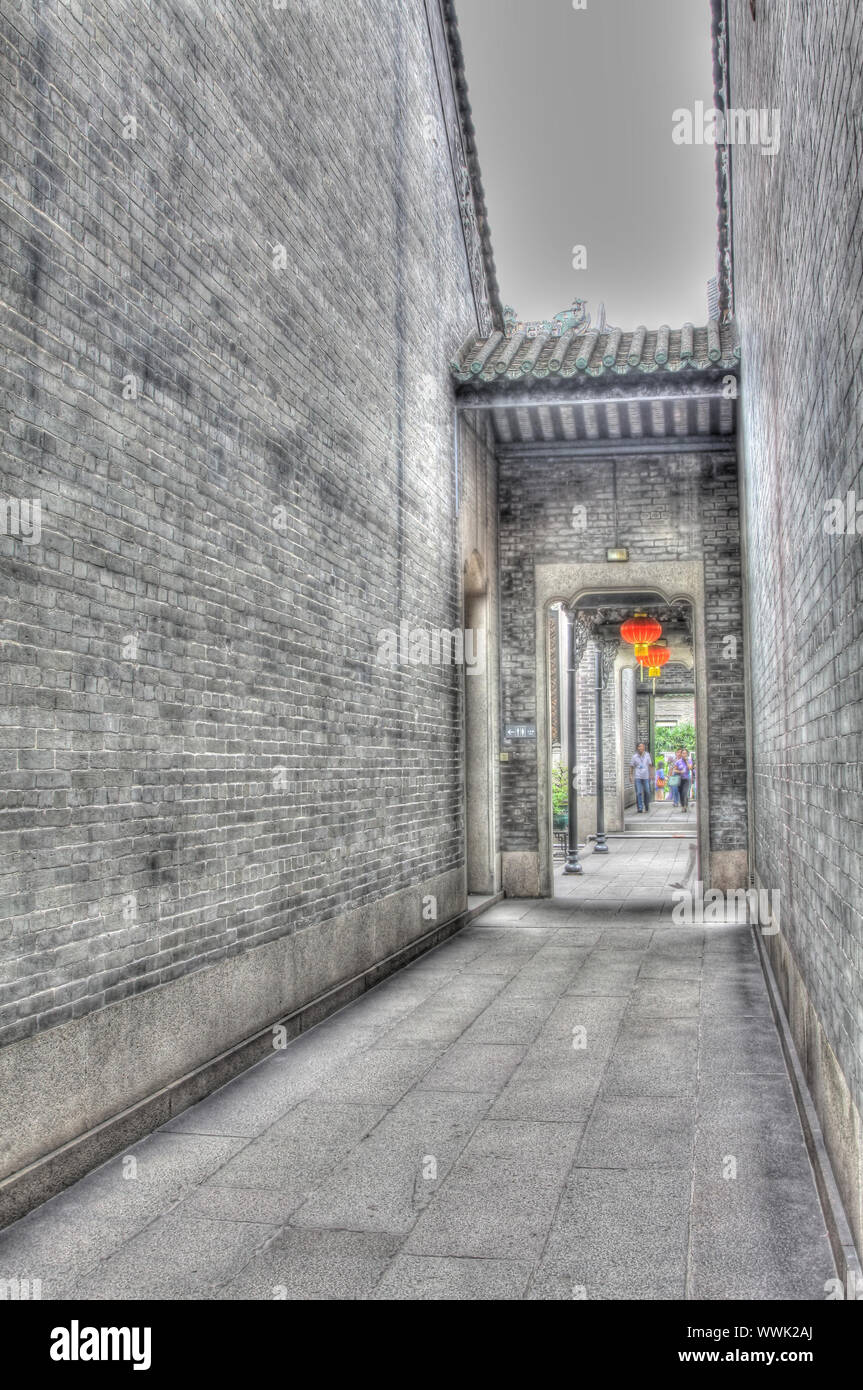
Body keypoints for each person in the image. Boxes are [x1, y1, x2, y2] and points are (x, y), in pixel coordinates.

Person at [629, 742, 653, 813]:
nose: (641, 748)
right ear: (637, 748)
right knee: (638, 792)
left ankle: (647, 806)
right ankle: (640, 808)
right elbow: (631, 767)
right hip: (638, 777)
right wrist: (630, 775)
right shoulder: (634, 757)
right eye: (639, 746)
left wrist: (651, 774)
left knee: (647, 792)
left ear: (644, 748)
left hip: (646, 777)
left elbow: (650, 765)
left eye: (642, 746)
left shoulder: (647, 755)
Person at [672, 747, 692, 812]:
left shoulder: (689, 761)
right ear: (681, 754)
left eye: (685, 753)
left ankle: (685, 806)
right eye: (683, 753)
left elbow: (690, 768)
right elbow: (674, 770)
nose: (684, 754)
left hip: (686, 779)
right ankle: (683, 806)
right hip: (680, 780)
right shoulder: (678, 762)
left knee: (684, 792)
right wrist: (680, 772)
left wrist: (686, 761)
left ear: (687, 754)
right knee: (681, 793)